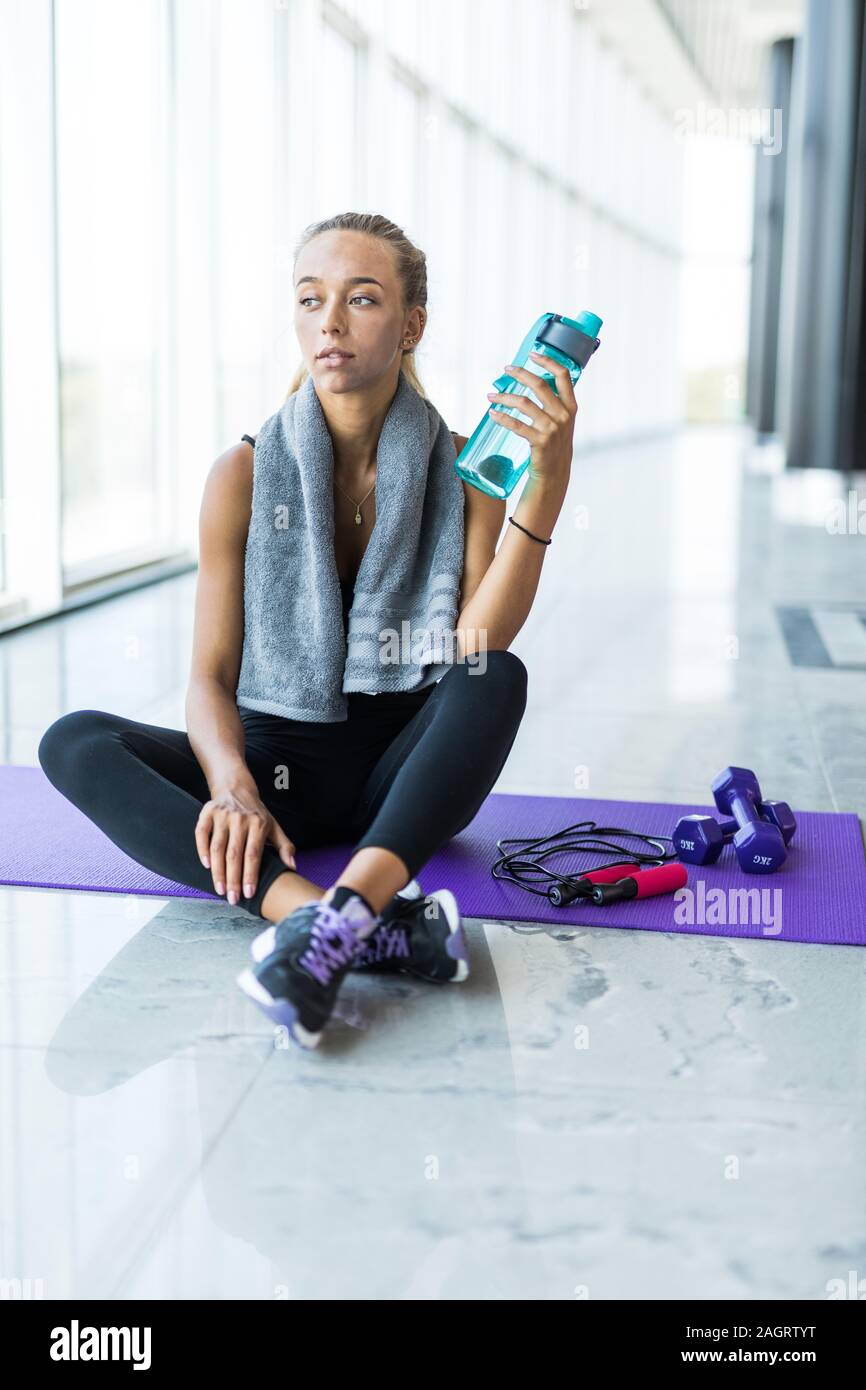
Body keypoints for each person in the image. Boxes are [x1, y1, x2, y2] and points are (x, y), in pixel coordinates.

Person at [38, 211, 581, 1050]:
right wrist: (230, 786)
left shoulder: (471, 471)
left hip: (396, 784)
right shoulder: (244, 475)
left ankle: (356, 899)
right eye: (310, 299)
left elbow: (476, 643)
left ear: (411, 326)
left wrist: (547, 482)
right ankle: (343, 923)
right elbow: (209, 677)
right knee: (74, 742)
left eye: (361, 299)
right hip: (272, 770)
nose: (329, 321)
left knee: (495, 673)